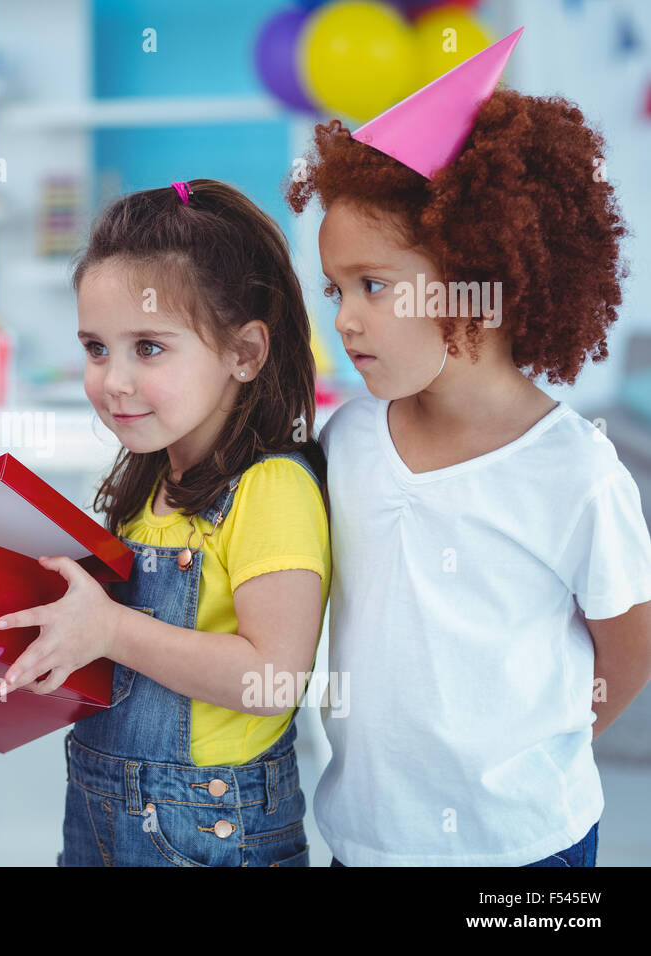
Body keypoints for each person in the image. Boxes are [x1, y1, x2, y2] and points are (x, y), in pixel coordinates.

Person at [286, 30, 651, 866]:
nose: (343, 317)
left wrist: (541, 749)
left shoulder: (577, 472)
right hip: (368, 841)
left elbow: (629, 647)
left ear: (481, 285)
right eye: (336, 288)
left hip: (528, 846)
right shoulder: (347, 443)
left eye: (372, 286)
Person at [0, 180, 330, 867]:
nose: (112, 379)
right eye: (95, 347)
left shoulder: (271, 490)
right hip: (96, 811)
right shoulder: (148, 480)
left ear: (245, 354)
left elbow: (272, 679)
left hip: (211, 831)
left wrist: (112, 630)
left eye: (148, 348)